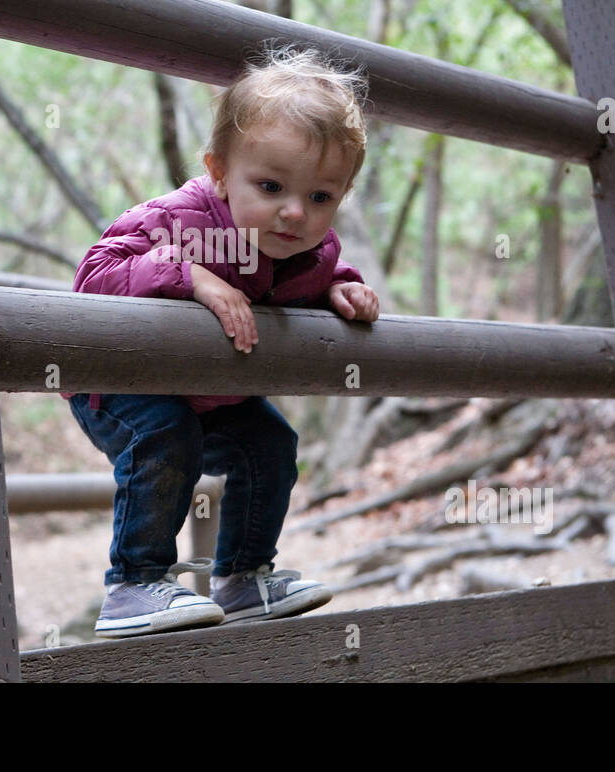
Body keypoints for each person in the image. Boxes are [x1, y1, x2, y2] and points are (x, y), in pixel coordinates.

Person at [62, 41, 380, 638]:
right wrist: (190, 274)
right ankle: (134, 583)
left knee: (271, 441)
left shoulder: (314, 248)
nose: (294, 213)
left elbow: (311, 277)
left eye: (320, 197)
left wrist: (343, 288)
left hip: (211, 394)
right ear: (218, 173)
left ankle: (243, 578)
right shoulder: (183, 218)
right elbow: (93, 277)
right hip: (121, 383)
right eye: (270, 186)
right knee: (164, 435)